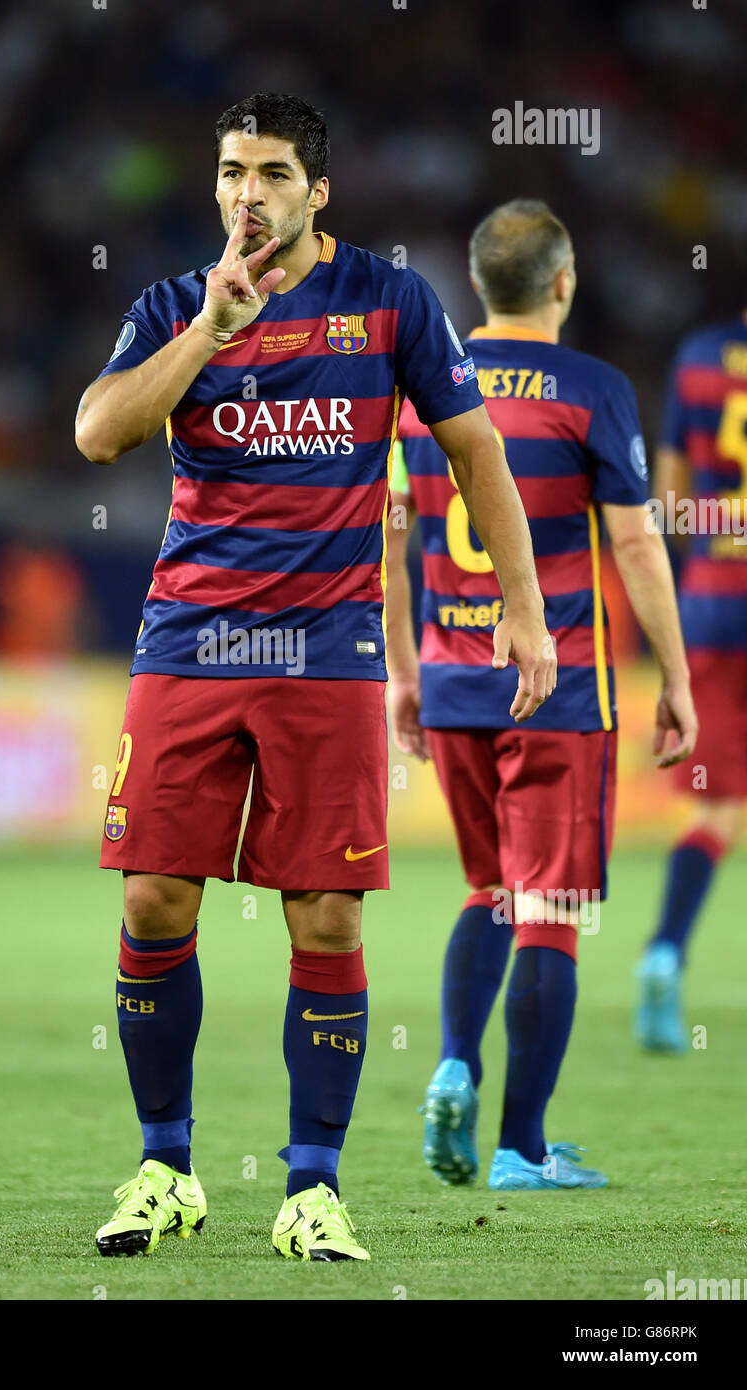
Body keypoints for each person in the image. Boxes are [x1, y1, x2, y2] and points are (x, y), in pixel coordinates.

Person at [75, 97, 556, 1259]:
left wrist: (525, 613)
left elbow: (475, 448)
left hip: (327, 653)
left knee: (328, 912)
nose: (248, 193)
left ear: (317, 191)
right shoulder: (168, 305)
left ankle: (311, 1186)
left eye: (274, 173)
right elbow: (97, 432)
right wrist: (206, 332)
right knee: (152, 899)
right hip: (188, 639)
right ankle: (164, 1166)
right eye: (232, 169)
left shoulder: (389, 302)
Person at [386, 199, 696, 1191]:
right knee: (547, 908)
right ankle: (520, 1148)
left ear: (478, 285)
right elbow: (635, 540)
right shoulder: (593, 389)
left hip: (449, 680)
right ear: (561, 283)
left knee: (486, 892)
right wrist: (676, 674)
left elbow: (386, 544)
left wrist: (398, 673)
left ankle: (449, 1061)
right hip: (554, 689)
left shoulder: (416, 388)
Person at [634, 310, 747, 1051]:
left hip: (713, 599)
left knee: (714, 809)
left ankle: (665, 951)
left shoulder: (701, 353)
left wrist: (716, 546)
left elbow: (669, 496)